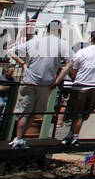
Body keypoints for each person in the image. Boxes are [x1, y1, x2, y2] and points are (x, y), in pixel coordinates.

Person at [5, 19, 72, 148]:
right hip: (47, 83)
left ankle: (17, 138)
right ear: (59, 30)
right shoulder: (62, 44)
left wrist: (23, 64)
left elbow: (11, 51)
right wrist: (58, 79)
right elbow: (70, 62)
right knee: (36, 112)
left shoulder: (35, 41)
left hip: (29, 80)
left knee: (24, 111)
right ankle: (21, 138)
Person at [51, 30, 95, 148]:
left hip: (81, 86)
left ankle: (74, 137)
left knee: (76, 113)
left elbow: (72, 68)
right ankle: (71, 135)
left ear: (91, 39)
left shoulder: (82, 52)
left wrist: (75, 78)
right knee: (84, 114)